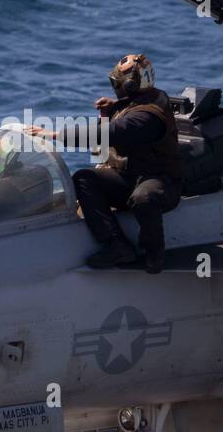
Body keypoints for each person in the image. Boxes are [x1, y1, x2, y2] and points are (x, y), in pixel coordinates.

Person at [30, 53, 182, 273]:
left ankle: (154, 254)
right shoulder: (149, 97)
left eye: (116, 83)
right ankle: (117, 245)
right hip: (131, 174)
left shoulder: (148, 117)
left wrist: (54, 135)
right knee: (84, 178)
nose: (115, 87)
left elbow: (111, 132)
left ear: (129, 85)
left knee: (143, 198)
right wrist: (114, 107)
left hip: (161, 180)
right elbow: (132, 108)